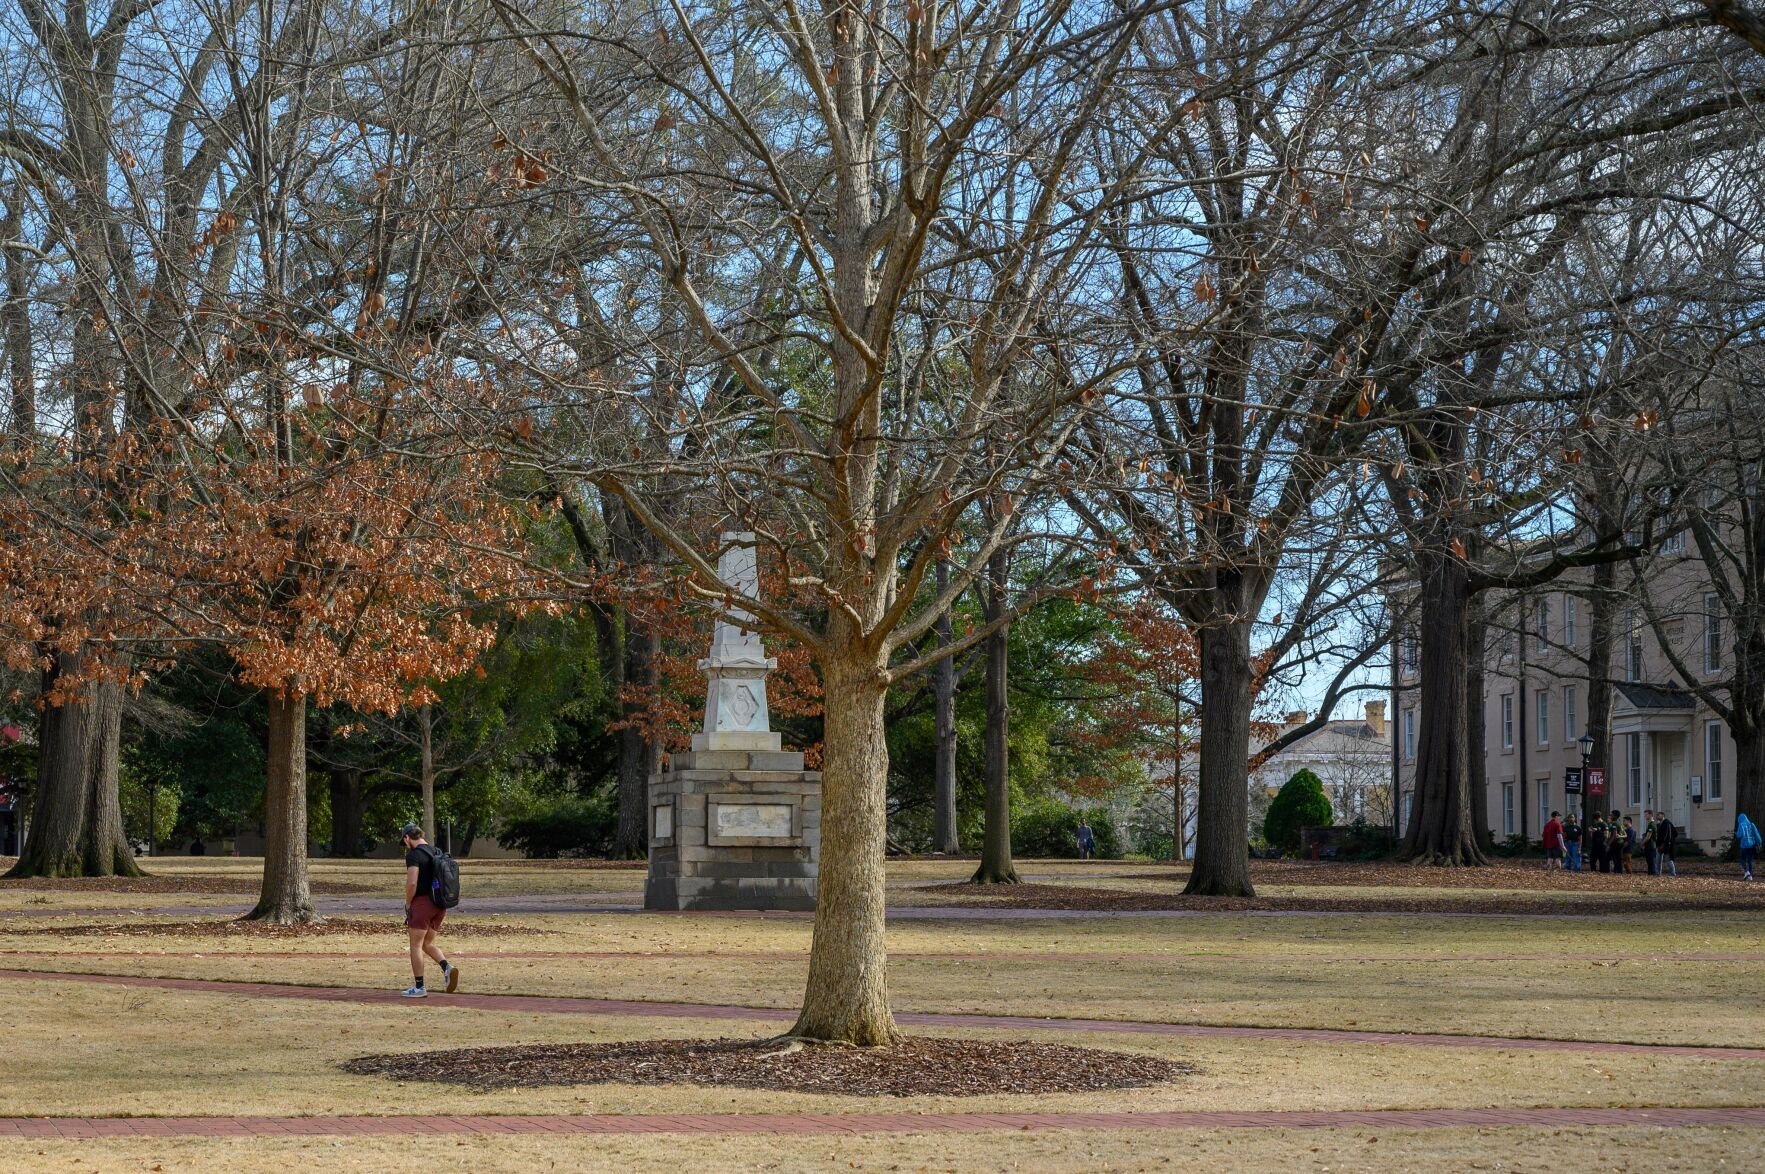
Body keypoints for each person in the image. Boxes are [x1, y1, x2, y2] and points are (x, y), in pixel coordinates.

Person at [399, 822, 458, 997]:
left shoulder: (414, 855)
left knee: (415, 945)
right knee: (427, 943)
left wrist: (408, 903)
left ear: (407, 838)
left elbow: (412, 883)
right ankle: (447, 967)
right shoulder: (436, 852)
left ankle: (419, 987)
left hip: (423, 904)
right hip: (440, 905)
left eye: (404, 842)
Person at [1737, 812, 1761, 881]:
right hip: (1751, 845)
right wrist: (1759, 842)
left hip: (1744, 846)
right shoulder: (1751, 824)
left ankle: (1747, 872)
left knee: (1742, 859)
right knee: (1750, 861)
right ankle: (1750, 876)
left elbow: (1739, 835)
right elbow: (1756, 834)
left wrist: (1737, 833)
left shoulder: (1741, 825)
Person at [1656, 811, 1677, 877]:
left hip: (1666, 845)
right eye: (1657, 815)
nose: (1657, 816)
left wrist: (1667, 843)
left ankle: (1672, 873)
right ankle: (1658, 873)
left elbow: (1670, 834)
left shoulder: (1667, 823)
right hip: (1660, 844)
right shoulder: (1660, 824)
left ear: (1662, 815)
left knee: (1668, 859)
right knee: (1658, 860)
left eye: (1658, 815)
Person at [1641, 811, 1659, 876]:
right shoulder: (1651, 824)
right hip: (1651, 846)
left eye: (1646, 814)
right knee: (1650, 862)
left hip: (1650, 846)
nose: (1645, 816)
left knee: (1651, 862)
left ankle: (1653, 875)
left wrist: (1642, 843)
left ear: (1651, 815)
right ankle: (1651, 875)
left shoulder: (1651, 824)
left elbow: (1648, 836)